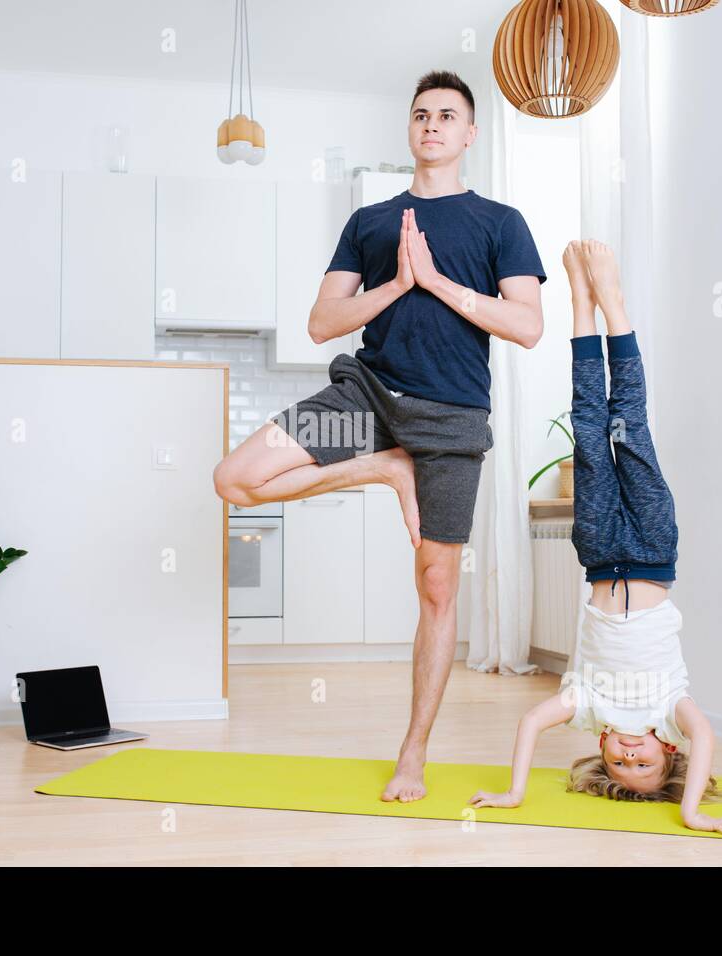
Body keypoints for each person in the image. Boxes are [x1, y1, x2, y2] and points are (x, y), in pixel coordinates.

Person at [212, 69, 546, 803]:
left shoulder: (501, 223)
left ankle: (413, 755)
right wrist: (397, 282)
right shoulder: (370, 221)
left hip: (453, 419)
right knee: (235, 479)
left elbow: (527, 325)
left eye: (448, 116)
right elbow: (322, 322)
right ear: (411, 129)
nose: (433, 124)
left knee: (434, 589)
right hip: (367, 397)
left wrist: (439, 283)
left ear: (469, 134)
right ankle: (385, 468)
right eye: (422, 114)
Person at [468, 240, 722, 834]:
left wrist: (514, 791)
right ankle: (613, 306)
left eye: (617, 765)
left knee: (591, 425)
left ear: (600, 750)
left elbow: (527, 726)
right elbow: (707, 735)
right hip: (651, 548)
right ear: (665, 752)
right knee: (631, 424)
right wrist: (691, 810)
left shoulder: (586, 706)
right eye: (641, 763)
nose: (627, 755)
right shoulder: (670, 713)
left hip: (598, 553)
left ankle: (580, 304)